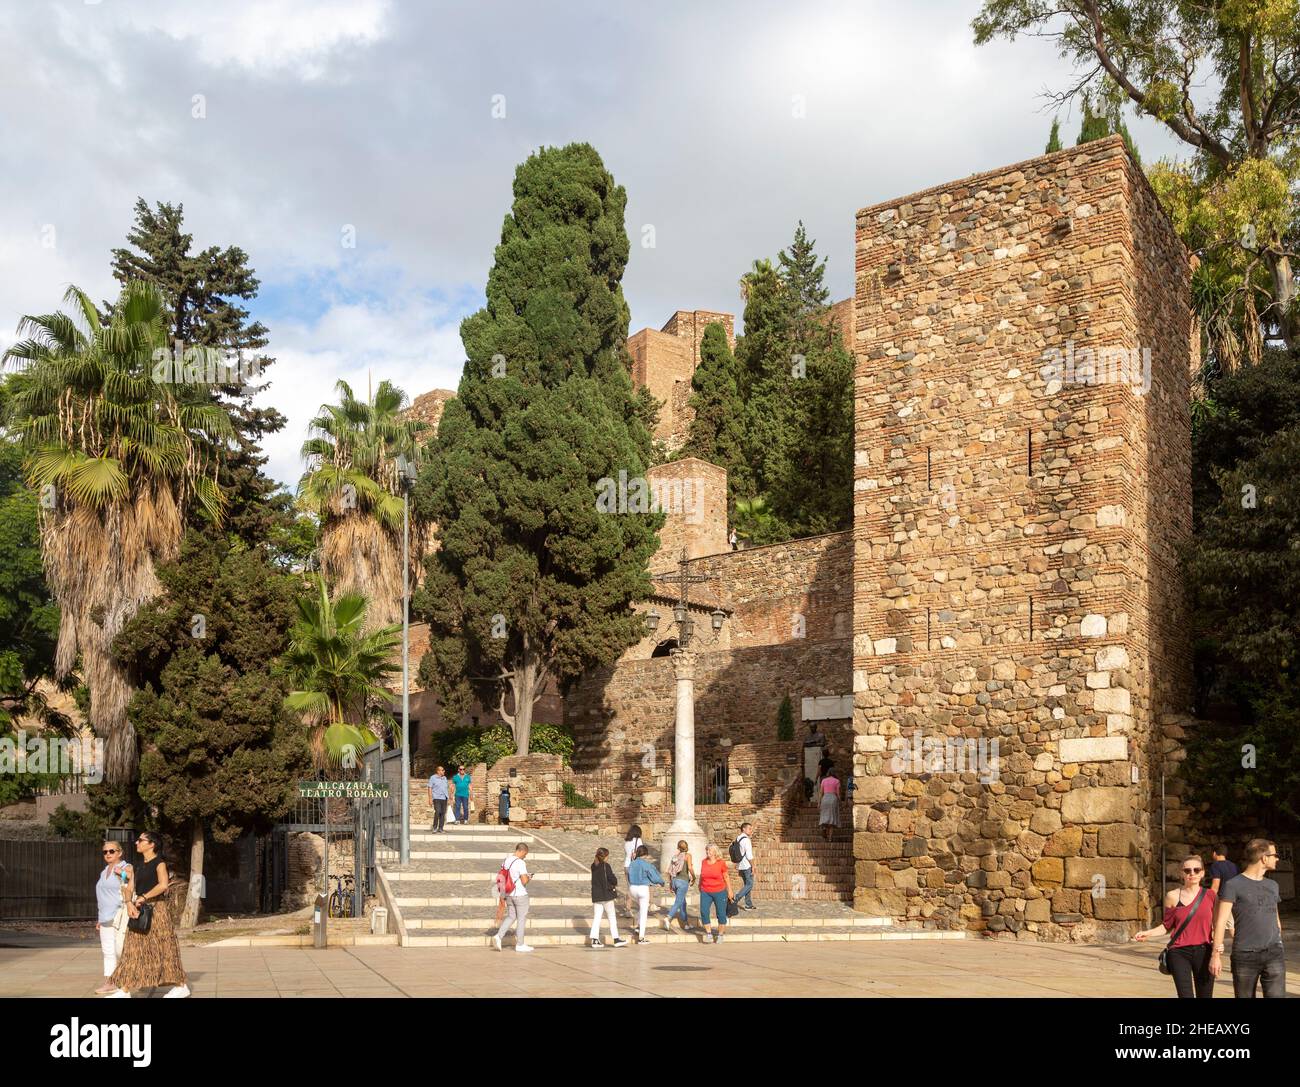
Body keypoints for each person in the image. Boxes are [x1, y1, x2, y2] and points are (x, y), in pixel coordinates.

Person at [107, 832, 190, 998]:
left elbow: (163, 885)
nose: (137, 842)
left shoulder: (159, 864)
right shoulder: (137, 866)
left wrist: (144, 897)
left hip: (157, 911)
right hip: (138, 910)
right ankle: (124, 990)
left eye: (141, 840)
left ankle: (181, 986)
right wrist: (129, 902)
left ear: (151, 844)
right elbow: (129, 887)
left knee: (164, 948)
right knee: (132, 949)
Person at [1209, 838, 1286, 997]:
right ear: (1264, 858)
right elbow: (1221, 921)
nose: (1277, 858)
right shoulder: (1233, 885)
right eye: (1274, 855)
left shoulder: (1273, 885)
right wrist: (1215, 956)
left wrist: (1279, 942)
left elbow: (1275, 918)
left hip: (1274, 954)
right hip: (1245, 956)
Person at [1133, 854, 1216, 998]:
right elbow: (1167, 926)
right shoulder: (1172, 896)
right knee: (1185, 995)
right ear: (1181, 874)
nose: (1192, 874)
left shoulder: (1211, 896)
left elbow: (1218, 924)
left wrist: (1218, 947)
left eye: (1196, 870)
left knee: (1205, 995)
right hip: (1179, 952)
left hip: (1205, 951)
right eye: (1187, 870)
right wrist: (1148, 933)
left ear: (1202, 873)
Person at [94, 841, 131, 994]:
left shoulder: (125, 866)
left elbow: (131, 877)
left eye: (111, 851)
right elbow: (102, 896)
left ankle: (126, 981)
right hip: (104, 917)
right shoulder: (104, 872)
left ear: (119, 853)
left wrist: (120, 873)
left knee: (119, 950)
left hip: (119, 916)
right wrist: (99, 918)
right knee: (107, 951)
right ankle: (110, 982)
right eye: (105, 852)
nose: (108, 854)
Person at [493, 842, 533, 953]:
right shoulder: (520, 862)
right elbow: (524, 881)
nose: (525, 856)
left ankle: (499, 936)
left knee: (511, 916)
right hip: (520, 894)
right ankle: (520, 944)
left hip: (509, 893)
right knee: (521, 918)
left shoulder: (506, 860)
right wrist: (529, 877)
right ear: (521, 850)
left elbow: (502, 876)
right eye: (525, 853)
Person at [589, 847, 628, 949]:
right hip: (606, 895)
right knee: (612, 917)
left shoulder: (593, 866)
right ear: (605, 856)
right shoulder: (606, 866)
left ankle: (594, 940)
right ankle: (616, 939)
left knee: (597, 917)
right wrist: (614, 879)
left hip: (597, 896)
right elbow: (613, 880)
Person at [627, 844, 666, 943]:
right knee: (644, 912)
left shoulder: (632, 863)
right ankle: (641, 937)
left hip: (632, 889)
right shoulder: (647, 865)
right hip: (643, 889)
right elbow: (654, 877)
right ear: (646, 854)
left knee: (642, 909)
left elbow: (628, 875)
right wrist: (661, 882)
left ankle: (638, 927)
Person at [698, 843, 734, 944]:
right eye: (706, 850)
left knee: (721, 914)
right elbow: (702, 874)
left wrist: (730, 890)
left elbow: (726, 877)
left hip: (720, 891)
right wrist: (699, 885)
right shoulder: (704, 862)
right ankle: (709, 934)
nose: (707, 852)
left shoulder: (721, 863)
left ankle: (720, 935)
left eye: (709, 850)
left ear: (715, 852)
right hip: (705, 891)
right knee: (704, 911)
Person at [663, 839, 695, 934]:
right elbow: (689, 867)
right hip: (683, 881)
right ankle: (668, 917)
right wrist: (694, 877)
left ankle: (685, 924)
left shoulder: (675, 857)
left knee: (683, 902)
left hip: (674, 881)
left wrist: (670, 884)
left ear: (678, 847)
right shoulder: (688, 856)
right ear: (687, 847)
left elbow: (669, 871)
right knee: (678, 902)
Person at [731, 823, 756, 911]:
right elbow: (749, 855)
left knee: (747, 884)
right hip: (746, 865)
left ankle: (748, 904)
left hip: (741, 865)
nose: (751, 830)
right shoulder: (746, 840)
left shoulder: (738, 838)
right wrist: (753, 866)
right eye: (749, 828)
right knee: (750, 884)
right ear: (744, 829)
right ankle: (736, 898)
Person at [623, 824, 644, 916]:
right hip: (635, 866)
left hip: (626, 866)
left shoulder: (626, 842)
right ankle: (642, 907)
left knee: (629, 888)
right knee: (640, 886)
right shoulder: (638, 841)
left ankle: (628, 909)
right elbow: (641, 852)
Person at [818, 765, 842, 842]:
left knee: (824, 815)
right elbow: (838, 793)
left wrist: (819, 802)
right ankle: (830, 838)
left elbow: (821, 793)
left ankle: (824, 828)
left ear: (828, 773)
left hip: (825, 798)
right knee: (832, 818)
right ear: (834, 773)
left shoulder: (823, 780)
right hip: (833, 799)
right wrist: (840, 801)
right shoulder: (837, 781)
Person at [428, 765, 450, 833]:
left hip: (444, 798)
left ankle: (441, 828)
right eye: (442, 770)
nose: (444, 771)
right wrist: (430, 798)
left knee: (443, 813)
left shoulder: (445, 778)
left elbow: (446, 788)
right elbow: (429, 788)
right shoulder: (433, 778)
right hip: (436, 798)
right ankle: (434, 827)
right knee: (438, 812)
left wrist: (449, 797)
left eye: (443, 770)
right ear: (438, 771)